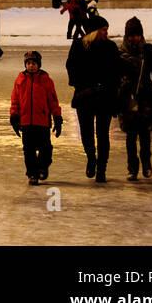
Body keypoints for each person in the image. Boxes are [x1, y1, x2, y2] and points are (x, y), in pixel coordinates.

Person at [65, 14, 126, 182]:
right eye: (103, 30)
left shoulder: (111, 47)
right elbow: (71, 66)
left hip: (104, 97)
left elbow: (117, 71)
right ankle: (91, 158)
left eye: (107, 30)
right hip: (85, 96)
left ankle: (102, 168)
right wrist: (82, 84)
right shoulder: (79, 45)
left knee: (103, 134)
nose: (106, 33)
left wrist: (112, 88)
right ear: (94, 31)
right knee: (86, 133)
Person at [118, 16, 152, 181]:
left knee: (145, 134)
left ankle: (146, 162)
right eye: (131, 35)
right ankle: (132, 166)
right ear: (126, 35)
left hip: (146, 97)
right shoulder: (120, 52)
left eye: (137, 35)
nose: (134, 38)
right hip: (127, 98)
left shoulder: (148, 50)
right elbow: (115, 76)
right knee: (130, 136)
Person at [10, 50, 62, 185]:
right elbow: (15, 100)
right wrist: (14, 117)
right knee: (29, 150)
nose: (31, 66)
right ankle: (32, 173)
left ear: (38, 64)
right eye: (28, 63)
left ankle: (43, 167)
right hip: (26, 122)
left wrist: (57, 117)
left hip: (42, 121)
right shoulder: (20, 80)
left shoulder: (46, 80)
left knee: (45, 148)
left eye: (33, 63)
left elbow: (53, 100)